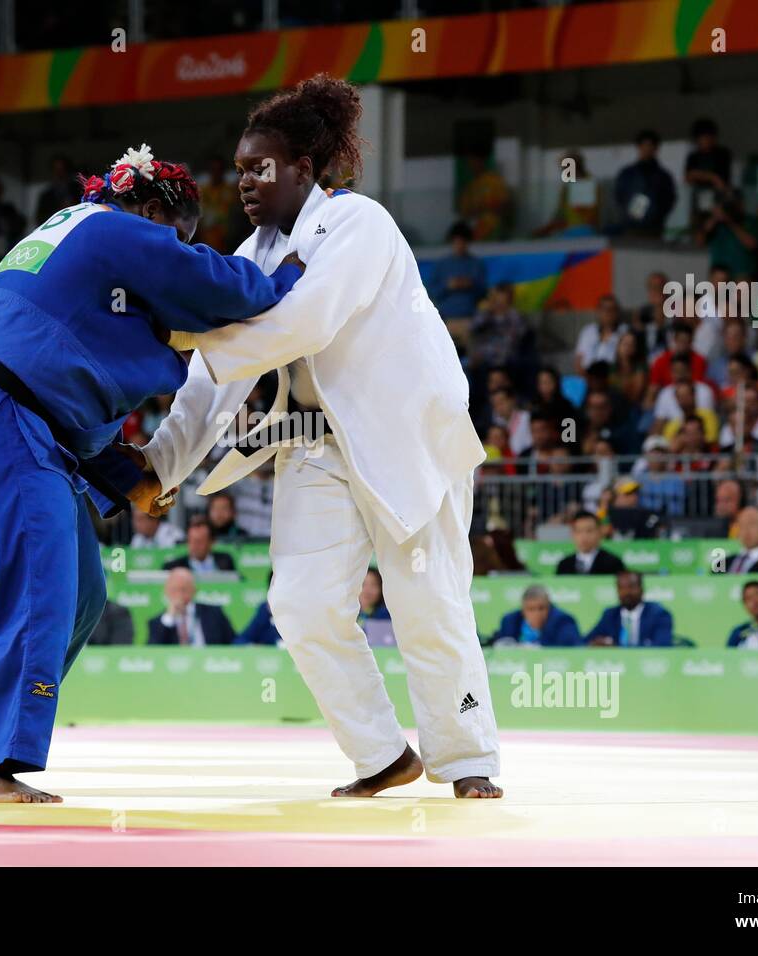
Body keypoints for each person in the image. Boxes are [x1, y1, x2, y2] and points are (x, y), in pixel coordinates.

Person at [141, 75, 502, 799]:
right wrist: (158, 464)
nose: (245, 181)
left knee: (427, 599)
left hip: (404, 437)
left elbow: (306, 322)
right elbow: (213, 380)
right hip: (311, 440)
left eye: (260, 167)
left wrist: (183, 329)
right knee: (300, 603)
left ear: (303, 168)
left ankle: (467, 762)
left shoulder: (359, 224)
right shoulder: (255, 252)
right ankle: (379, 754)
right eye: (240, 169)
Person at [0, 145, 302, 803]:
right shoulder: (108, 226)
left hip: (5, 423)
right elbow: (210, 284)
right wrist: (283, 280)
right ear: (153, 211)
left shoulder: (60, 239)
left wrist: (133, 475)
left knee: (82, 591)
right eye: (175, 238)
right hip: (5, 424)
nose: (173, 254)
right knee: (38, 589)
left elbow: (60, 374)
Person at [146, 567, 236, 646]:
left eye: (183, 589)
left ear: (194, 590)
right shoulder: (157, 622)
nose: (179, 594)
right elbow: (152, 651)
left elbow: (233, 642)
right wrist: (169, 618)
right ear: (166, 592)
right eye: (174, 590)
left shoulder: (214, 613)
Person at [612, 129, 676, 238]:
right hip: (630, 227)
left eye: (650, 145)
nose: (647, 149)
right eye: (644, 145)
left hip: (654, 229)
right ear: (638, 147)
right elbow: (619, 196)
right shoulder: (627, 174)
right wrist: (628, 214)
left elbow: (669, 199)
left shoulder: (663, 176)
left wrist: (657, 216)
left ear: (656, 148)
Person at [585, 570, 673, 647]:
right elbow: (584, 642)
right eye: (621, 588)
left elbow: (662, 646)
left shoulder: (659, 615)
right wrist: (596, 643)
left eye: (631, 587)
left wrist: (616, 647)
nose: (626, 592)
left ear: (641, 589)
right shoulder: (610, 615)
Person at [489, 585, 581, 646]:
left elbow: (569, 650)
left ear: (549, 606)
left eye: (541, 608)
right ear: (523, 609)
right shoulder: (510, 621)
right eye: (531, 609)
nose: (537, 613)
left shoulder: (563, 621)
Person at [429, 222, 486, 321]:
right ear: (452, 242)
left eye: (463, 242)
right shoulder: (441, 265)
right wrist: (448, 286)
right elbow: (432, 293)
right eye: (457, 242)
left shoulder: (476, 264)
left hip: (470, 317)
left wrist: (470, 285)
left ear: (468, 243)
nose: (460, 246)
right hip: (445, 317)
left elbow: (483, 293)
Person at [556, 510, 625, 575]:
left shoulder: (614, 563)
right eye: (579, 531)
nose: (584, 536)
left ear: (599, 532)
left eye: (589, 531)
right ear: (572, 534)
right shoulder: (564, 565)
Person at [161, 516, 237, 574]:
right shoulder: (173, 567)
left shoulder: (225, 561)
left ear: (211, 542)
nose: (195, 545)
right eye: (192, 540)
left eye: (200, 541)